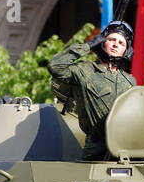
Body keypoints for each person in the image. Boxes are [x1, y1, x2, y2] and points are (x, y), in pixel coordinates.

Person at [48, 20, 136, 160]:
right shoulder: (84, 70)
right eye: (111, 39)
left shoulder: (129, 81)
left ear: (126, 50)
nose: (115, 45)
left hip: (125, 150)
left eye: (121, 43)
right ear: (102, 42)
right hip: (95, 150)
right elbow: (55, 66)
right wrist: (87, 45)